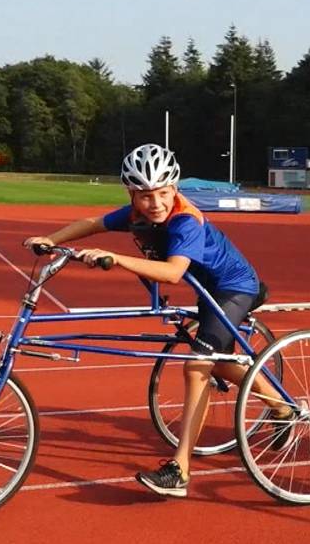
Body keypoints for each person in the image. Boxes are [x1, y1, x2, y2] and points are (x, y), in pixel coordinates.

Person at [24, 143, 293, 498]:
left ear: (175, 189)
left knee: (197, 365)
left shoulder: (185, 221)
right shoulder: (135, 214)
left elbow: (171, 272)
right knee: (218, 362)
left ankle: (180, 470)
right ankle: (281, 406)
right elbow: (92, 224)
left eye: (163, 193)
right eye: (145, 195)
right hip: (208, 291)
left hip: (234, 287)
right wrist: (51, 240)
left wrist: (115, 258)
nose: (156, 203)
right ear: (132, 194)